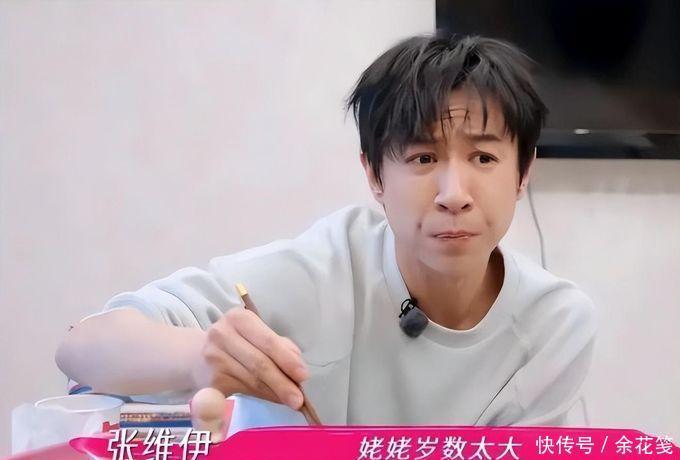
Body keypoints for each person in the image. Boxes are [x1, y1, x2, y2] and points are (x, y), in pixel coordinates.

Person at [56, 33, 597, 426]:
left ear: (523, 172)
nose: (454, 194)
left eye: (483, 158)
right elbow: (80, 348)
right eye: (423, 157)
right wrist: (198, 358)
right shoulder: (320, 273)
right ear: (374, 176)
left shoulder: (554, 323)